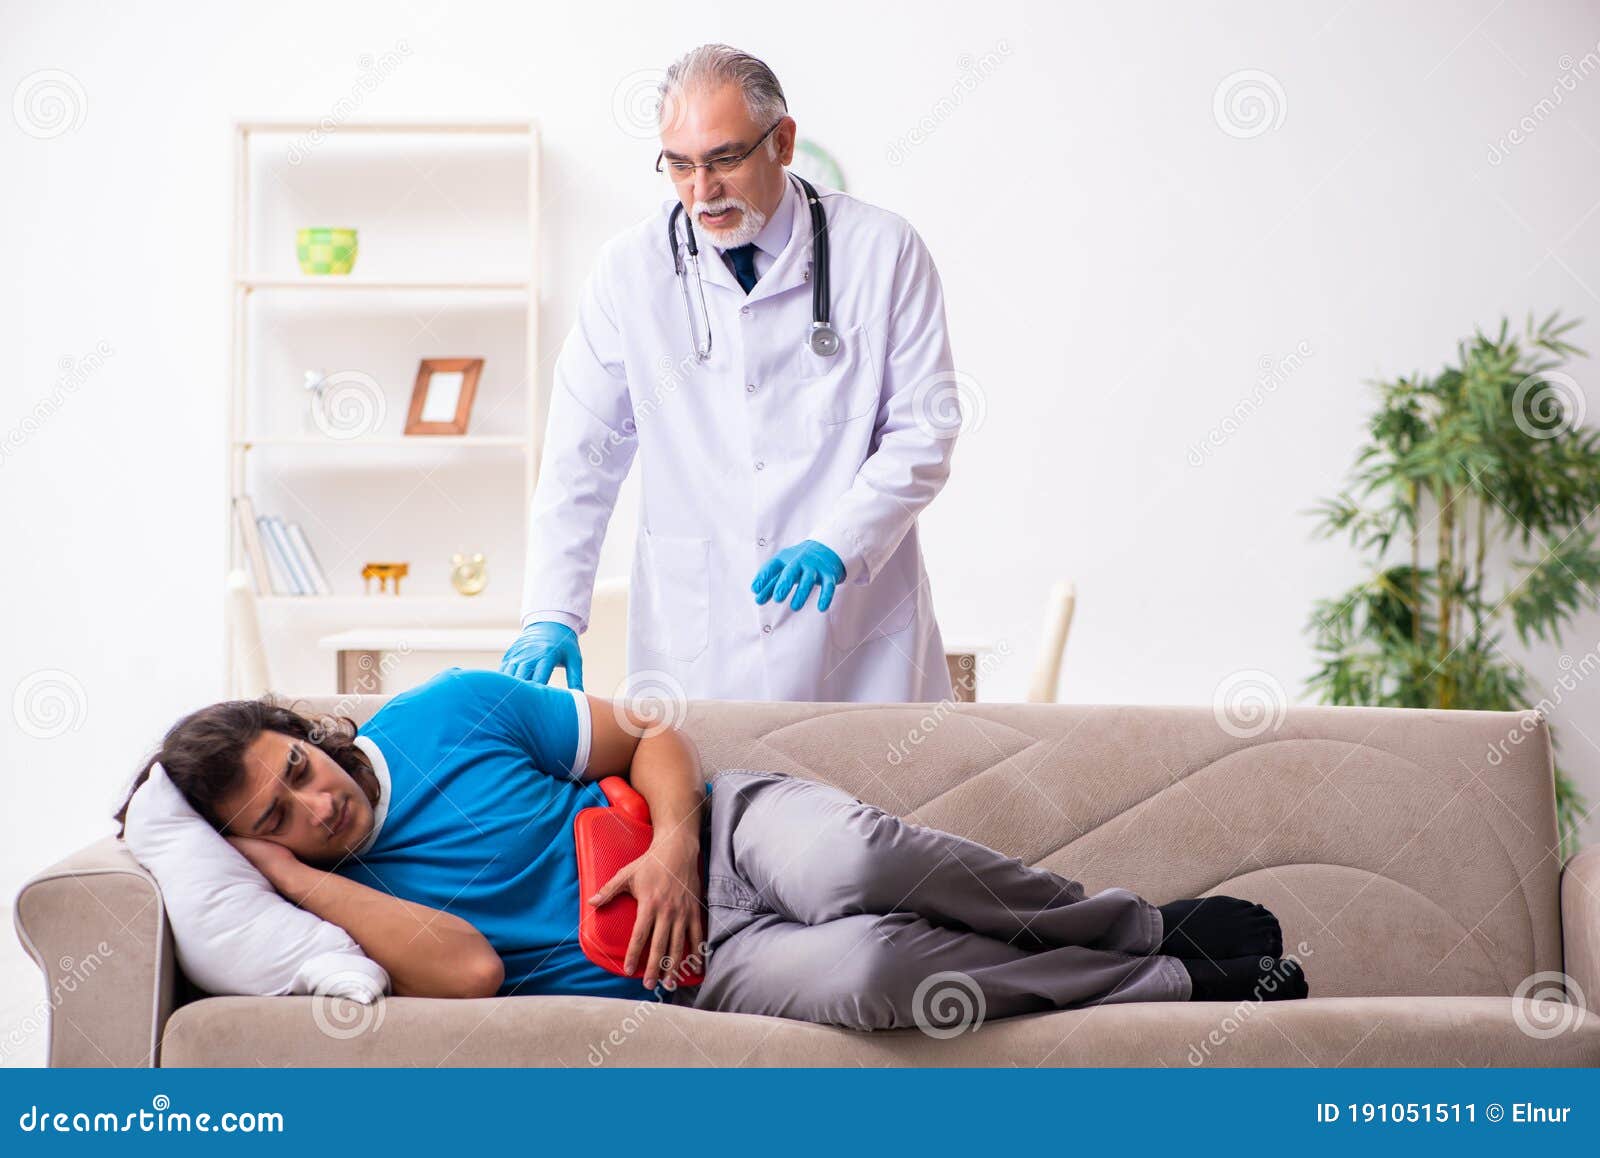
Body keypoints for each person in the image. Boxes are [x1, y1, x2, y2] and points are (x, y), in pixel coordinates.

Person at [115, 667, 1308, 1029]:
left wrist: (674, 844)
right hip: (689, 972)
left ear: (304, 731)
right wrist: (293, 880)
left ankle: (1134, 922)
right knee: (868, 974)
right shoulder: (326, 914)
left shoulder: (447, 712)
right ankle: (1163, 979)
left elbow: (652, 737)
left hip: (722, 836)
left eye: (297, 769)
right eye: (271, 821)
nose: (312, 806)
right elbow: (471, 971)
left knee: (852, 867)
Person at [502, 44, 960, 703]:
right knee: (703, 771)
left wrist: (840, 542)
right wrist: (552, 611)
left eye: (724, 160)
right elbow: (582, 456)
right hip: (700, 646)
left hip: (861, 646)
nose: (702, 190)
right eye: (680, 165)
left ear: (783, 142)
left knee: (872, 771)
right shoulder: (629, 271)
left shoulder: (882, 251)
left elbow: (923, 432)